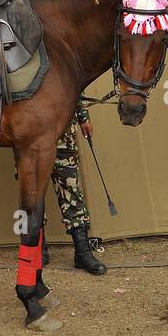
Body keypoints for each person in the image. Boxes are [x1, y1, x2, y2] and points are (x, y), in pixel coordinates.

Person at [41, 103, 107, 275]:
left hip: (63, 132)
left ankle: (82, 252)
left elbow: (75, 83)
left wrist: (83, 117)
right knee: (32, 194)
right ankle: (37, 248)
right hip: (31, 135)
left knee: (72, 190)